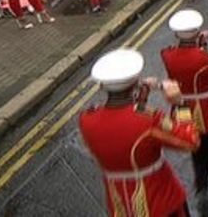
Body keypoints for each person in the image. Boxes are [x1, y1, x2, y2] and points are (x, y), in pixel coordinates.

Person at [79, 49, 200, 217]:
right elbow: (191, 141)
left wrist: (141, 99)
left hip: (120, 208)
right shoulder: (150, 119)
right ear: (135, 82)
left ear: (102, 86)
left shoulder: (86, 118)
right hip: (161, 203)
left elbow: (122, 123)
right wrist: (180, 103)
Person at [160, 9, 208, 199]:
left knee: (197, 149)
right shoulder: (205, 58)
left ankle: (201, 181)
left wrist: (199, 43)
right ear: (196, 32)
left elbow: (184, 59)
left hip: (185, 110)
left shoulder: (168, 55)